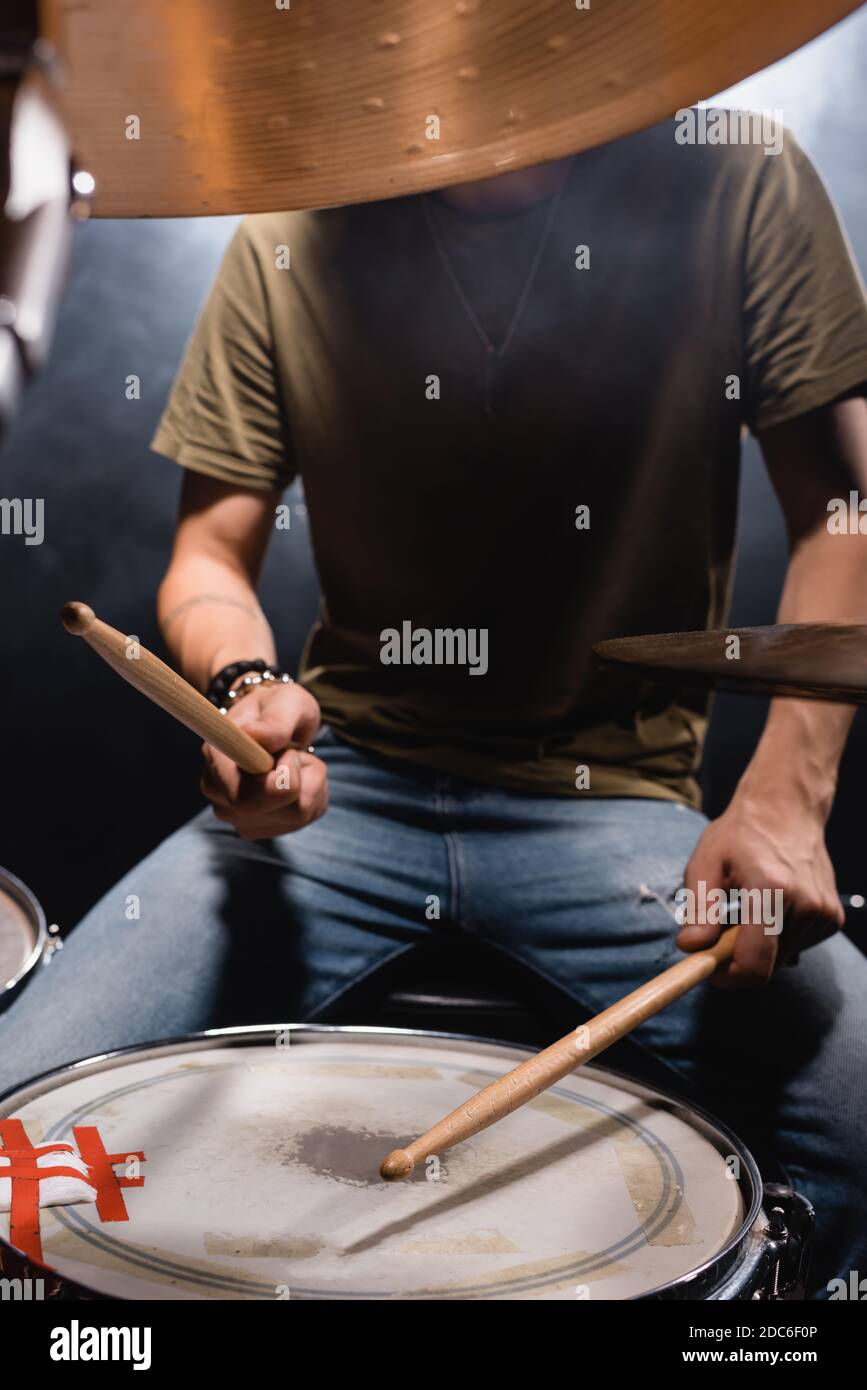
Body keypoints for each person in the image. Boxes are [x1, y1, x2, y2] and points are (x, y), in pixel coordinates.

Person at [2, 117, 867, 1292]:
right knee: (19, 1131)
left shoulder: (743, 175)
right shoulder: (288, 232)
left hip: (613, 804)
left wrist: (789, 787)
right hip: (344, 791)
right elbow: (208, 557)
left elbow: (843, 513)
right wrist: (247, 695)